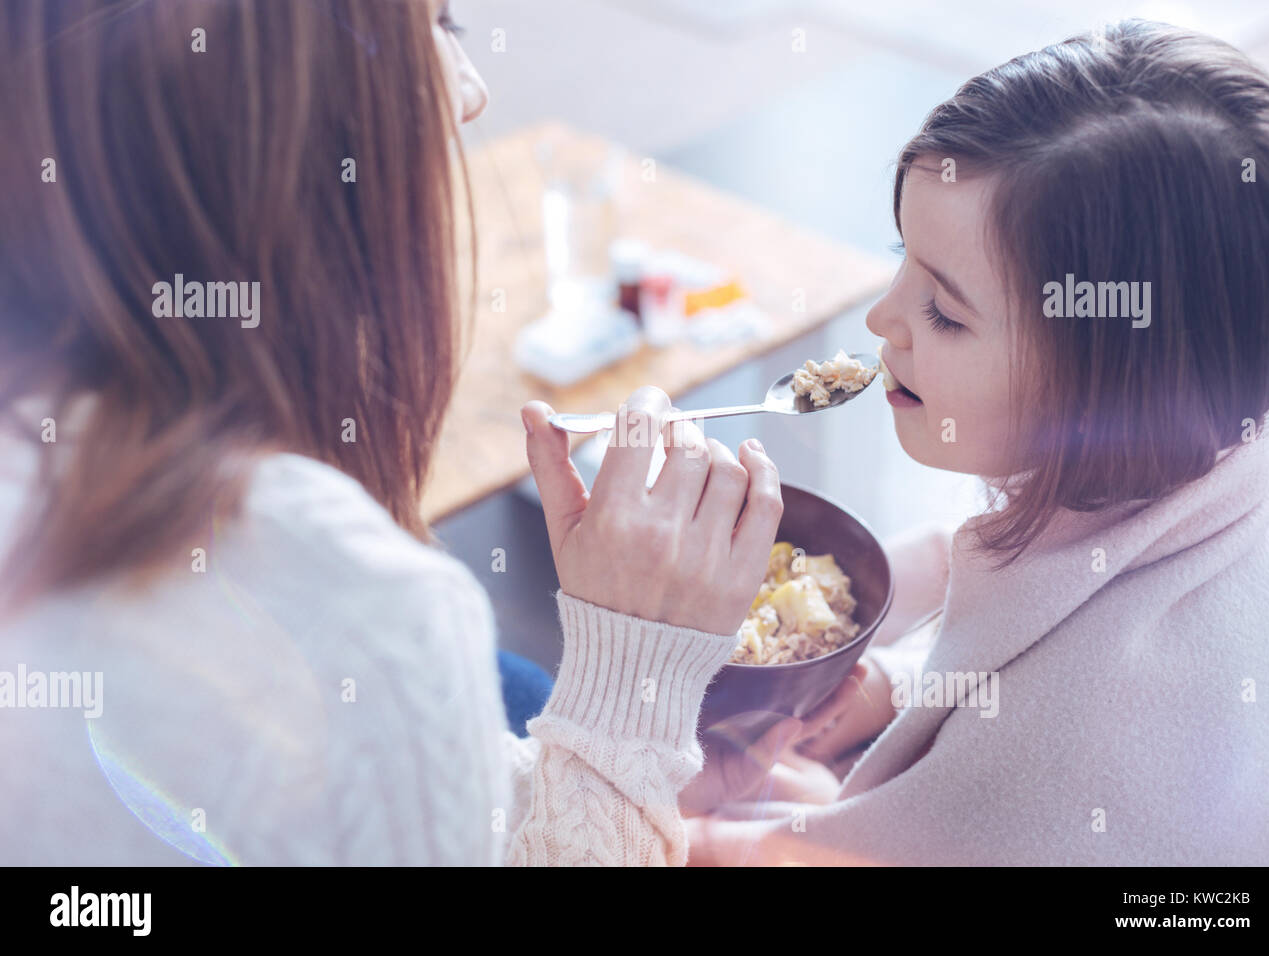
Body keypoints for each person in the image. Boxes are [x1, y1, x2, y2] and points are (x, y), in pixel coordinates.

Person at [0, 0, 789, 865]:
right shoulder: (377, 621)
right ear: (295, 108)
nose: (473, 91)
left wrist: (591, 766)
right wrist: (633, 683)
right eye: (442, 24)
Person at [686, 18, 1269, 865]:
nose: (881, 320)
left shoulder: (1088, 753)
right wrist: (905, 682)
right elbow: (1038, 582)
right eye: (902, 253)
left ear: (1111, 382)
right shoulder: (1229, 441)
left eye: (945, 311)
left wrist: (663, 809)